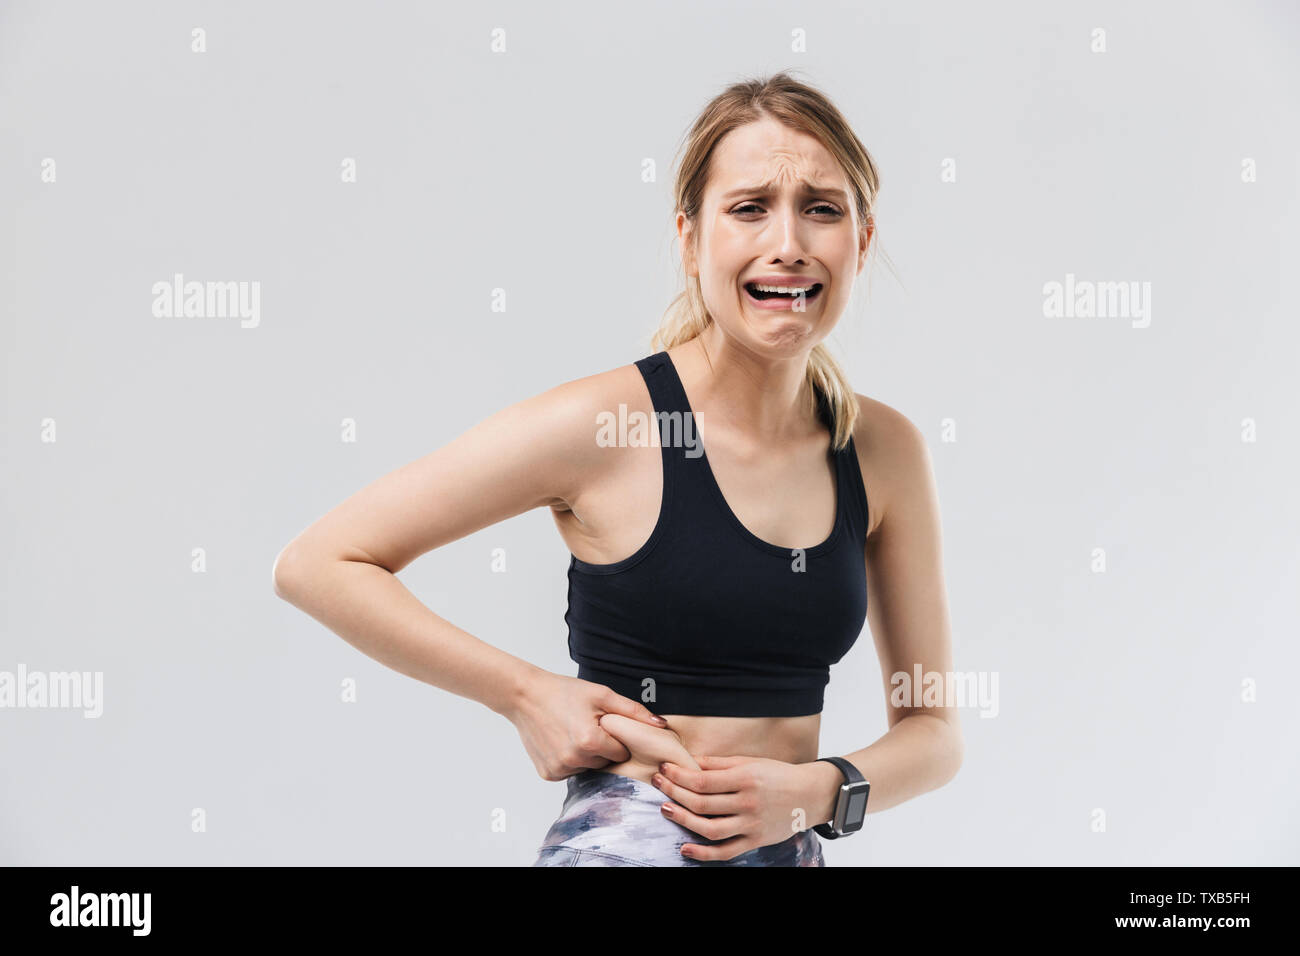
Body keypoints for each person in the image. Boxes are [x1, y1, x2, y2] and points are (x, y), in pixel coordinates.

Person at [272, 71, 961, 867]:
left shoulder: (883, 450)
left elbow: (935, 733)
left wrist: (814, 792)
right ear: (690, 237)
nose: (788, 243)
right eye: (748, 209)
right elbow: (320, 562)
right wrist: (526, 694)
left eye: (821, 209)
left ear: (862, 240)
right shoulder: (603, 425)